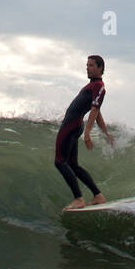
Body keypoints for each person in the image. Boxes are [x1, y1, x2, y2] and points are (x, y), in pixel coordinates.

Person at [54, 55, 114, 210]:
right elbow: (98, 113)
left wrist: (87, 133)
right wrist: (105, 133)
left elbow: (94, 109)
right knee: (72, 164)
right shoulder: (93, 86)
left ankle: (78, 199)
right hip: (73, 125)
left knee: (59, 162)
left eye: (92, 65)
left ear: (100, 68)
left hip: (72, 126)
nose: (88, 68)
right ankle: (97, 195)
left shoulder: (99, 86)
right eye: (87, 65)